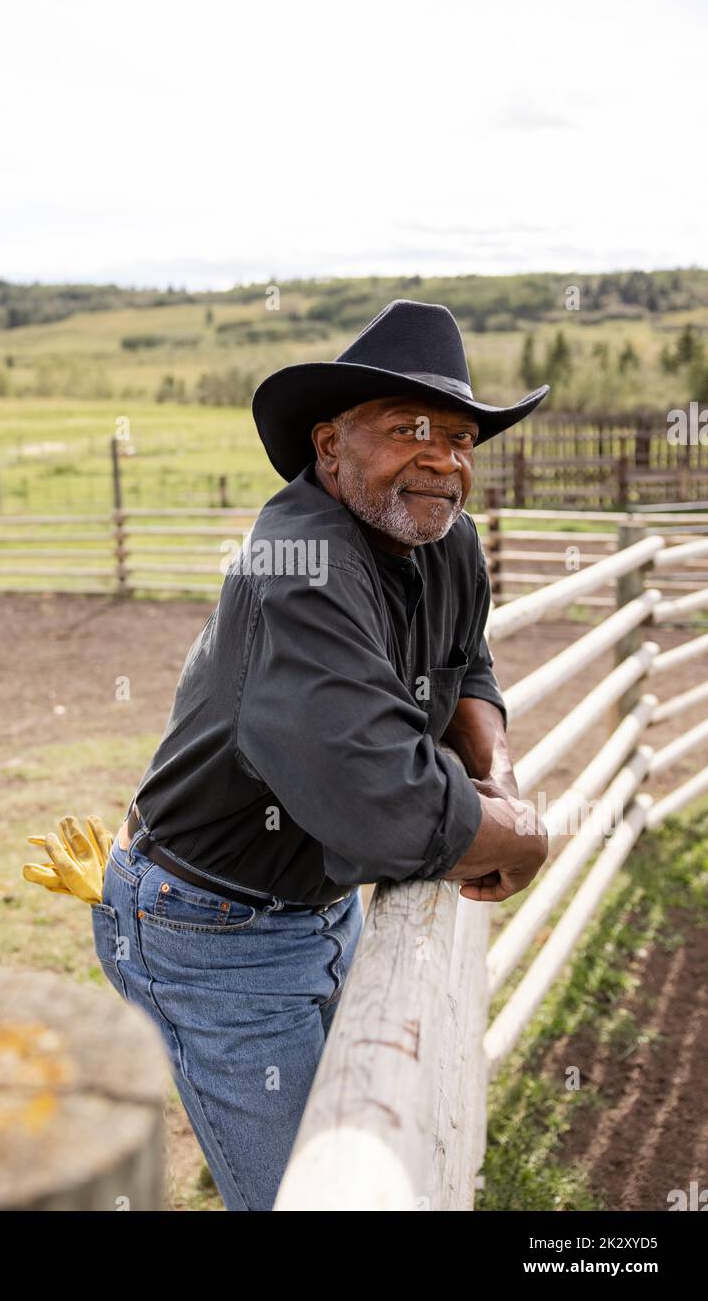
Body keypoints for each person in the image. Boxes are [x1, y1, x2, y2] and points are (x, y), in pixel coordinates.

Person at [27, 300, 551, 1211]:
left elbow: (468, 665)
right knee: (302, 1196)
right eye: (407, 429)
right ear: (329, 446)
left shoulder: (447, 537)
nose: (443, 457)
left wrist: (497, 781)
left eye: (463, 437)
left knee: (339, 1127)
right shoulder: (297, 564)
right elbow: (384, 802)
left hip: (311, 900)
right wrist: (520, 833)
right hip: (208, 926)